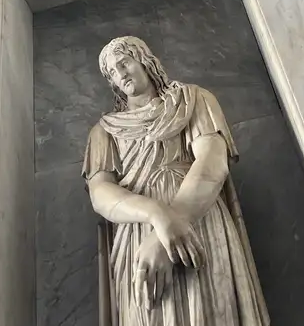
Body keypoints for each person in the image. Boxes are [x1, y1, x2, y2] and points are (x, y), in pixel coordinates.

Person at [83, 36, 269, 326]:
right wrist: (156, 215)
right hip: (137, 232)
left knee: (213, 312)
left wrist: (167, 230)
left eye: (124, 62)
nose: (120, 73)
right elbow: (100, 193)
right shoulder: (104, 132)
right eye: (112, 72)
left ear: (144, 60)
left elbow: (212, 161)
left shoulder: (193, 100)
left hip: (198, 217)